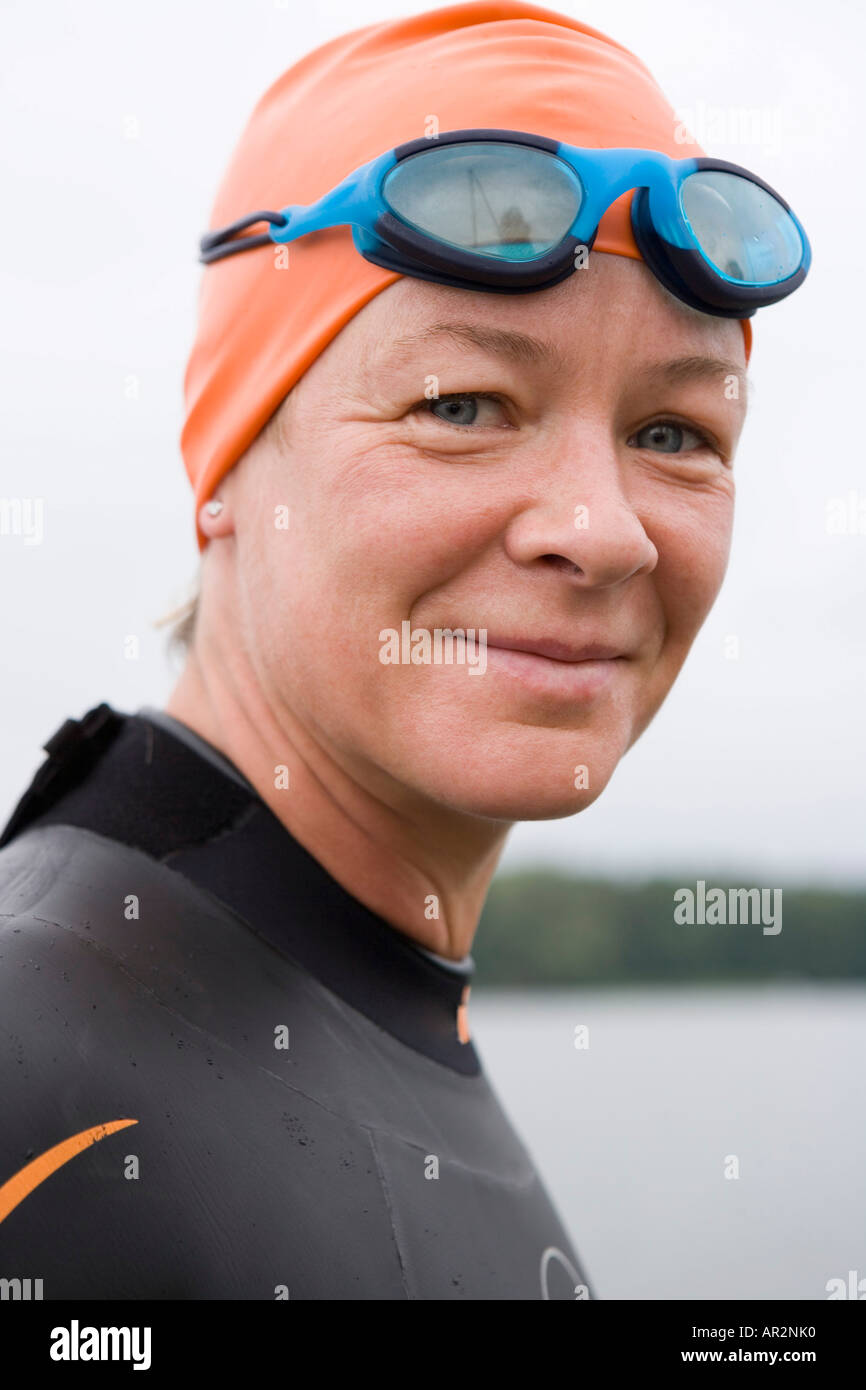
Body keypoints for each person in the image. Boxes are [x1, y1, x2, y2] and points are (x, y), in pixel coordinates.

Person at [0, 0, 809, 1300]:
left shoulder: (366, 1004)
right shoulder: (36, 1073)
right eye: (462, 405)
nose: (602, 533)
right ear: (223, 464)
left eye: (673, 434)